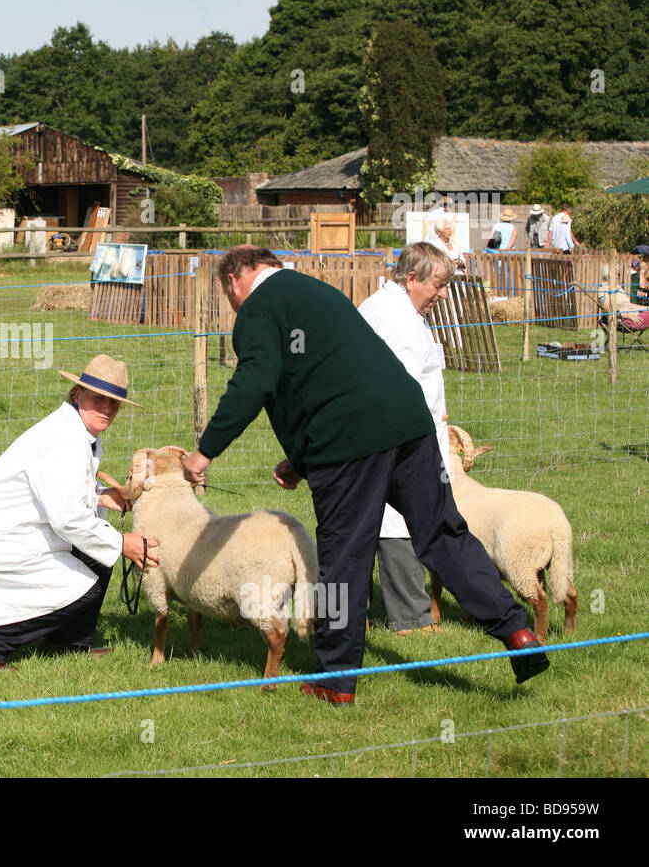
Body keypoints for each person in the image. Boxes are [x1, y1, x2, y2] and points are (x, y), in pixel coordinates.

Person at [180, 245, 547, 704]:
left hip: (349, 445)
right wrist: (300, 459)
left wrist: (204, 452)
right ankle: (516, 630)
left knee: (343, 561)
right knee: (442, 534)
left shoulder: (258, 307)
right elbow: (334, 376)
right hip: (409, 425)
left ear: (233, 279)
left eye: (228, 293)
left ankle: (335, 680)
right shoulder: (318, 292)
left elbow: (255, 380)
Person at [0, 355, 158, 669]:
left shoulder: (78, 433)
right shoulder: (65, 440)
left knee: (98, 555)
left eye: (114, 402)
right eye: (99, 398)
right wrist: (124, 543)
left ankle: (67, 642)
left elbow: (60, 495)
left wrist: (100, 497)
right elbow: (69, 518)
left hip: (5, 527)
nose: (107, 408)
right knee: (86, 581)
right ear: (78, 393)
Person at [357, 244, 455, 636]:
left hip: (384, 439)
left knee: (365, 523)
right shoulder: (396, 320)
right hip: (398, 441)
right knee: (398, 521)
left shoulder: (392, 309)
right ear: (411, 278)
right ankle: (410, 619)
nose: (443, 294)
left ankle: (351, 615)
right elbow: (401, 390)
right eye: (439, 285)